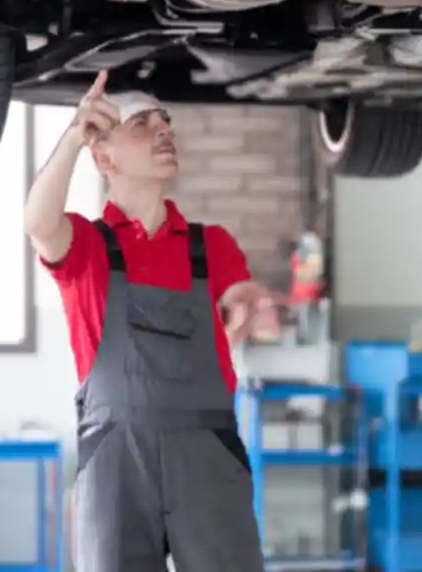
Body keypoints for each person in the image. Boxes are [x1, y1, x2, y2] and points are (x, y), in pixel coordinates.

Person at [24, 71, 281, 572]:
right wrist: (75, 135)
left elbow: (240, 298)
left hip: (208, 455)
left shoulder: (211, 246)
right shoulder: (87, 247)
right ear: (104, 158)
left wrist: (251, 306)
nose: (164, 130)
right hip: (118, 461)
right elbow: (38, 223)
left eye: (166, 121)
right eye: (143, 123)